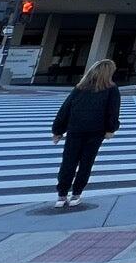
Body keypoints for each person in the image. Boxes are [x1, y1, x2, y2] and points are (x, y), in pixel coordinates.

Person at [51, 58, 121, 208]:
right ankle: (76, 194)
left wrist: (58, 130)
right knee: (86, 163)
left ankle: (61, 195)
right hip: (95, 131)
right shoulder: (111, 89)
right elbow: (112, 112)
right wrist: (111, 129)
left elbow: (65, 109)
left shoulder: (80, 88)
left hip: (75, 129)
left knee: (68, 162)